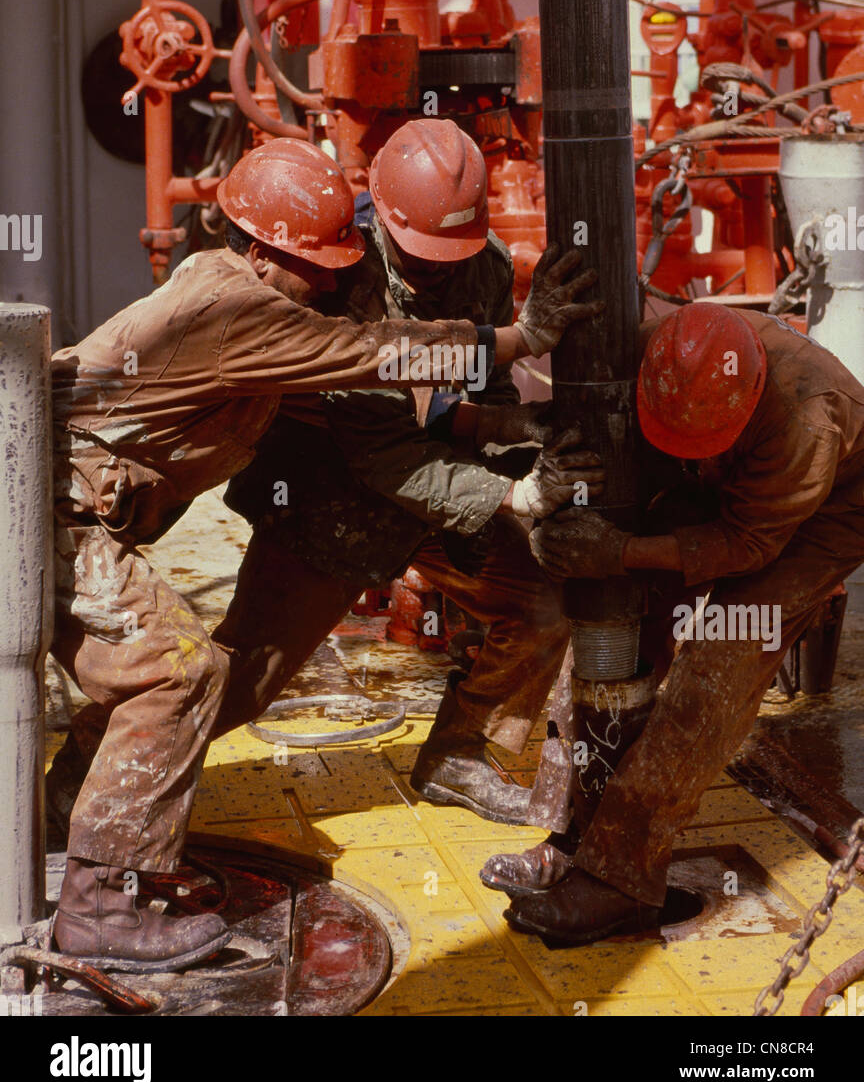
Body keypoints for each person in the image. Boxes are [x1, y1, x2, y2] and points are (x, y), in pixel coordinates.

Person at [48, 136, 594, 971]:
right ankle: (99, 894)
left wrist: (512, 424)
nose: (335, 280)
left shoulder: (256, 288)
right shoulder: (241, 307)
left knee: (184, 673)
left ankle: (79, 840)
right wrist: (518, 341)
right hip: (56, 506)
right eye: (320, 263)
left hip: (70, 501)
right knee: (186, 671)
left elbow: (431, 399)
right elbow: (377, 358)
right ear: (266, 253)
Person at [213, 118, 605, 824]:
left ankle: (459, 755)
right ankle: (94, 780)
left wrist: (518, 432)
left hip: (431, 472)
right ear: (381, 216)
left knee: (542, 596)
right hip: (326, 491)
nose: (437, 270)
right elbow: (380, 451)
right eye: (420, 256)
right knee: (246, 678)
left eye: (450, 253)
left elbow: (484, 389)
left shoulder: (477, 262)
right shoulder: (339, 277)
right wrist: (514, 495)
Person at [482, 303, 864, 945]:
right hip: (707, 471)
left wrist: (619, 549)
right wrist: (565, 521)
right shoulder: (650, 345)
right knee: (610, 622)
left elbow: (746, 544)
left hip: (824, 514)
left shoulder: (807, 418)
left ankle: (619, 879)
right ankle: (574, 835)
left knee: (720, 661)